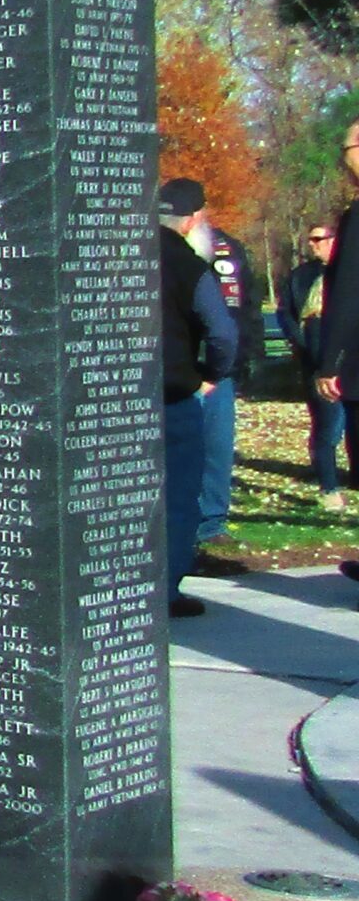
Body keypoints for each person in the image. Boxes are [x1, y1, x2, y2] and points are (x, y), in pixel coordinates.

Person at [158, 188, 237, 619]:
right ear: (193, 220)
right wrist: (214, 374)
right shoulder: (190, 266)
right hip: (172, 396)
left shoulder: (109, 258)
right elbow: (222, 333)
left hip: (110, 401)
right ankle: (166, 588)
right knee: (179, 495)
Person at [180, 186, 261, 563]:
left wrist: (241, 362)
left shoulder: (228, 250)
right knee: (177, 450)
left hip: (217, 368)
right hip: (175, 369)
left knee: (216, 449)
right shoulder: (152, 248)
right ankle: (178, 527)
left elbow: (246, 309)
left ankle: (211, 523)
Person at [278, 222, 347, 510]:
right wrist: (302, 344)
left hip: (348, 359)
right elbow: (286, 314)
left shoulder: (347, 273)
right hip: (316, 359)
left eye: (319, 239)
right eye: (310, 240)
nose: (313, 245)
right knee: (328, 426)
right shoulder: (301, 276)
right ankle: (329, 488)